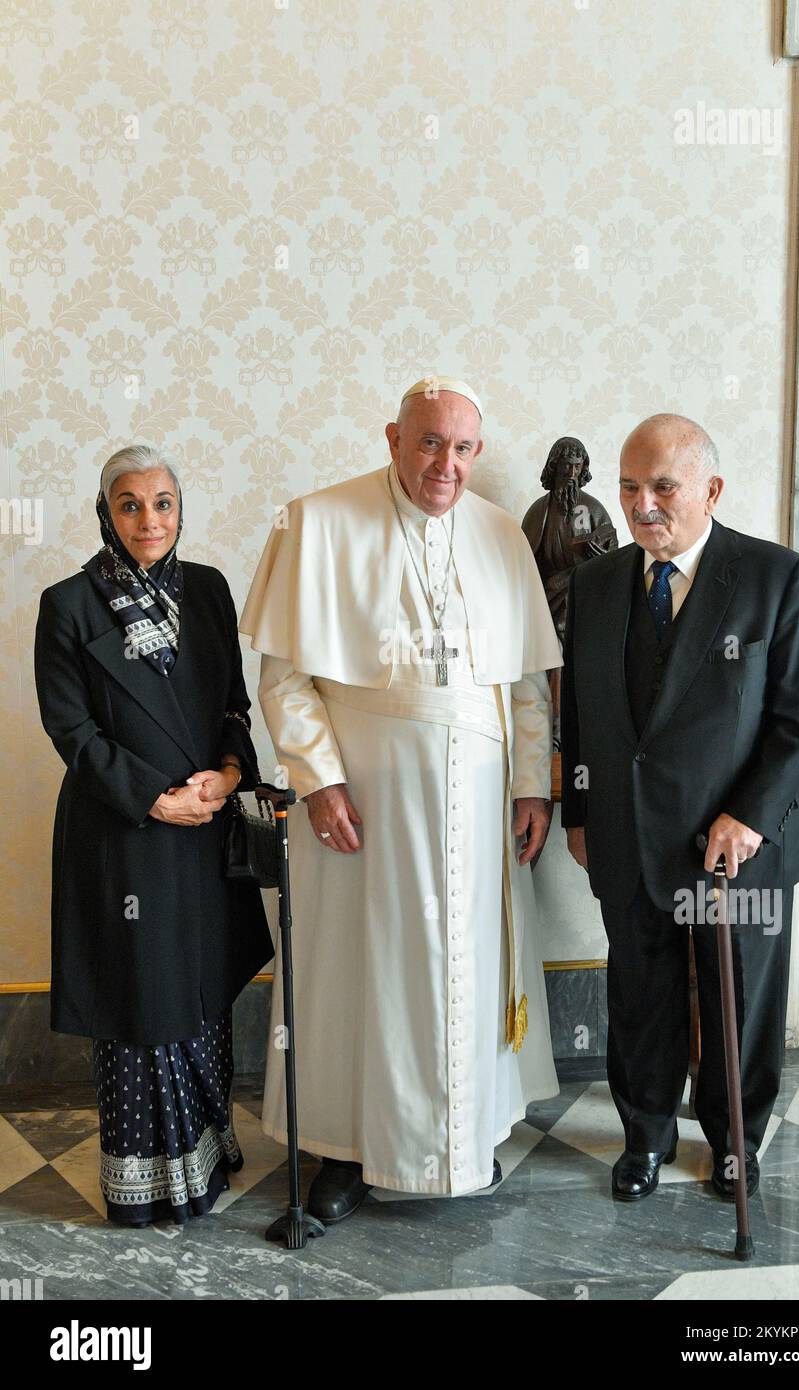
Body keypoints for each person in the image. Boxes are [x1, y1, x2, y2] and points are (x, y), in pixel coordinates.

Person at [240, 376, 562, 1223]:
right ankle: (344, 1151)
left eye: (461, 448)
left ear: (478, 453)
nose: (444, 464)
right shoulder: (319, 520)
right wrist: (319, 779)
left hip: (480, 797)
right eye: (428, 443)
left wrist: (533, 782)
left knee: (468, 963)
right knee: (361, 971)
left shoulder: (500, 537)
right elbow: (285, 677)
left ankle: (465, 1137)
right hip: (365, 802)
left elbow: (526, 682)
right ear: (392, 437)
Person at [560, 413, 799, 1202]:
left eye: (663, 487)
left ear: (711, 490)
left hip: (740, 842)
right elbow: (582, 707)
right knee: (638, 996)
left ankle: (735, 1142)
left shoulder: (776, 576)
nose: (643, 504)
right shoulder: (598, 581)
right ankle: (644, 1137)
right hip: (626, 832)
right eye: (629, 486)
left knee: (737, 997)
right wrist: (580, 810)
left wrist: (750, 813)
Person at [34, 445, 274, 1227]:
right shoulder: (67, 604)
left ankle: (208, 1152)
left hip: (203, 826)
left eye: (164, 502)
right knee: (143, 996)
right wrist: (154, 799)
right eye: (131, 504)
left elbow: (232, 703)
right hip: (125, 833)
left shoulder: (207, 589)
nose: (150, 520)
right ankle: (149, 1183)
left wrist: (232, 774)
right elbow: (72, 731)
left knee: (199, 988)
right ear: (105, 512)